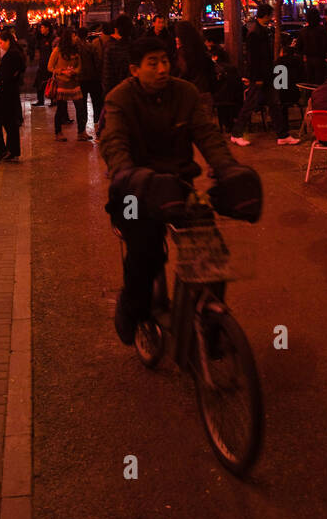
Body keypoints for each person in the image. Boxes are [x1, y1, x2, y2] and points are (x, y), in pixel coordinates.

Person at [99, 36, 263, 344]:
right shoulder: (119, 99)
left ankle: (210, 326)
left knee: (211, 255)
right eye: (153, 63)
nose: (162, 69)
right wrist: (129, 175)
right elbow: (114, 144)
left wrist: (228, 169)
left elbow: (208, 136)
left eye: (165, 61)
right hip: (134, 191)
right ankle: (131, 308)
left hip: (178, 186)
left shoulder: (185, 93)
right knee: (145, 255)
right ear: (135, 69)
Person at [230, 4, 299, 147]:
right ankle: (236, 134)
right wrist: (257, 77)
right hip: (261, 76)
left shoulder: (259, 30)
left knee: (274, 105)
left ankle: (282, 135)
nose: (272, 17)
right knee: (251, 105)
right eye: (270, 14)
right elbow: (253, 58)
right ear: (266, 15)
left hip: (266, 75)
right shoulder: (255, 33)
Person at [0, 28, 26, 161]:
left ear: (8, 41)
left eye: (1, 42)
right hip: (10, 92)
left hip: (5, 93)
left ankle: (2, 150)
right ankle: (12, 150)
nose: (0, 45)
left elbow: (6, 75)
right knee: (10, 122)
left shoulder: (12, 55)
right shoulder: (16, 53)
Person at [49, 27, 89, 140]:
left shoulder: (76, 50)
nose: (75, 38)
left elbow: (79, 66)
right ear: (68, 37)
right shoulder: (57, 50)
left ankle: (81, 132)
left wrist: (74, 72)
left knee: (80, 107)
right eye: (73, 35)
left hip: (74, 83)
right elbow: (50, 67)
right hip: (62, 84)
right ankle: (58, 133)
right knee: (61, 109)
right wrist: (62, 71)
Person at [174, 19, 218, 118]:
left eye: (177, 36)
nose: (176, 38)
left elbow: (183, 73)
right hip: (205, 92)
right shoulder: (201, 50)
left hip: (190, 95)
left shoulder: (184, 53)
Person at [76, 26, 104, 126]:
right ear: (86, 35)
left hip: (80, 78)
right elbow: (97, 62)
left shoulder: (75, 47)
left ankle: (83, 123)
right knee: (96, 101)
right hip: (93, 77)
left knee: (82, 103)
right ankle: (97, 121)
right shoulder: (91, 47)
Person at [213, 46, 244, 132]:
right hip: (235, 97)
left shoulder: (215, 67)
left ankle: (226, 124)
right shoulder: (232, 67)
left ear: (216, 57)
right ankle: (231, 123)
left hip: (220, 97)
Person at [102, 13, 133, 96]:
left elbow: (107, 76)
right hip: (131, 92)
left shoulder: (110, 47)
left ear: (116, 29)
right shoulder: (134, 46)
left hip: (115, 92)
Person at [299, 6, 327, 85]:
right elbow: (326, 44)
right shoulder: (322, 30)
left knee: (310, 81)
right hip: (320, 59)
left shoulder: (303, 31)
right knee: (320, 81)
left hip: (308, 59)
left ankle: (310, 96)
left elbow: (299, 47)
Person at [33, 20, 54, 105]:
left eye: (42, 27)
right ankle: (40, 100)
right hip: (42, 64)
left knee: (51, 83)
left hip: (50, 65)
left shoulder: (52, 38)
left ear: (47, 28)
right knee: (39, 82)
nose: (41, 29)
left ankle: (53, 100)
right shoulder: (40, 38)